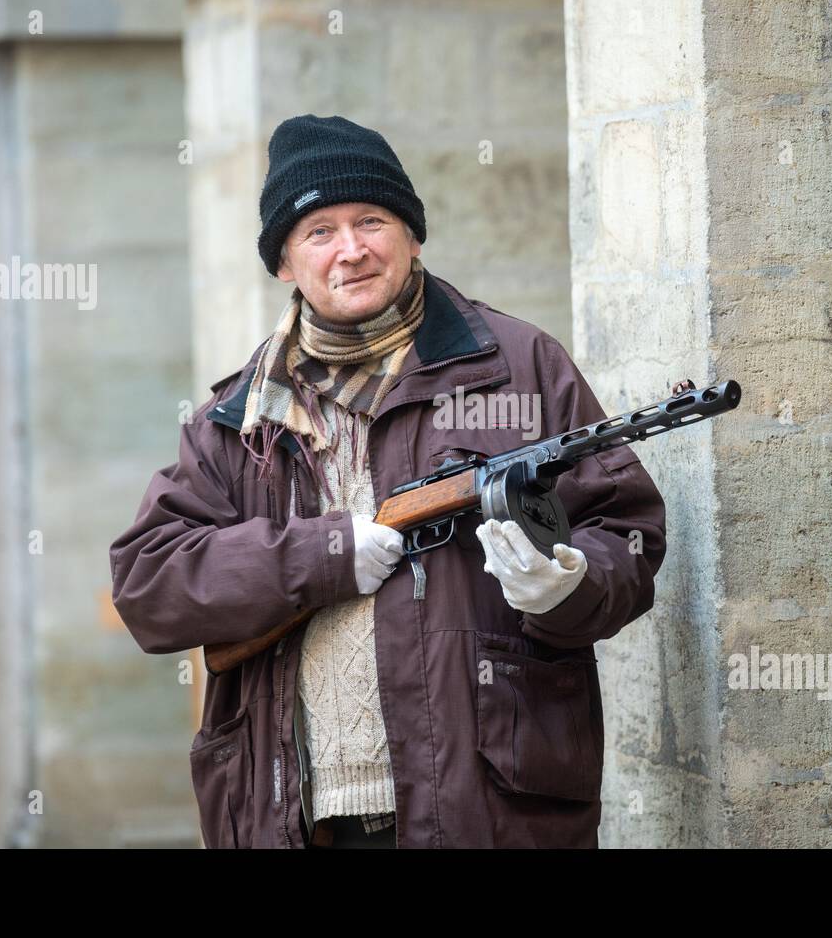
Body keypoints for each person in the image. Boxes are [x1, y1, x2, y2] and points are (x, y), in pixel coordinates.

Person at [108, 114, 667, 848]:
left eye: (372, 220)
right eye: (319, 231)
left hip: (489, 810)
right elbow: (149, 584)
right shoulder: (238, 418)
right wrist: (325, 555)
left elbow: (628, 532)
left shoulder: (522, 365)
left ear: (412, 235)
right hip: (298, 821)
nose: (352, 250)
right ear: (284, 262)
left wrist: (570, 582)